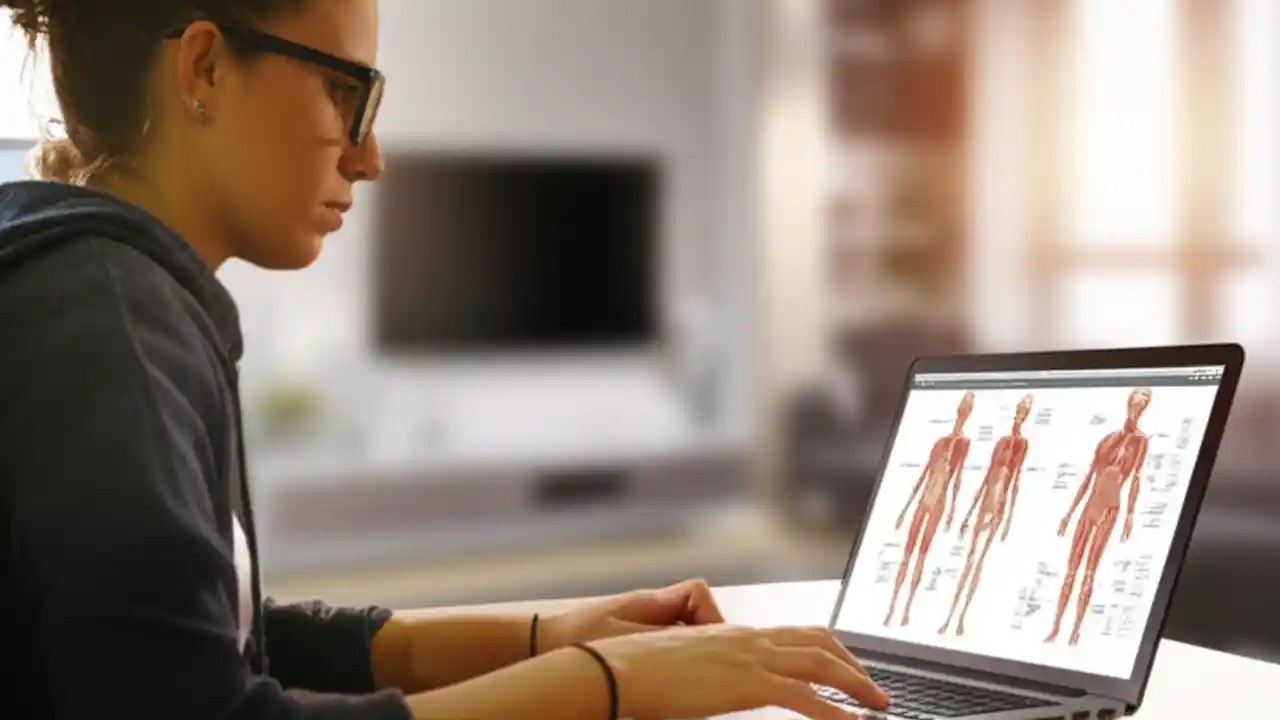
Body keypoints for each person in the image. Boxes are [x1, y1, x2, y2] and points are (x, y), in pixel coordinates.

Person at [0, 1, 890, 718]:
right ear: (204, 68)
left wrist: (550, 635)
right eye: (346, 94)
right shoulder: (108, 323)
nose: (370, 156)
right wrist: (615, 687)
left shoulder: (103, 290)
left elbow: (218, 641)